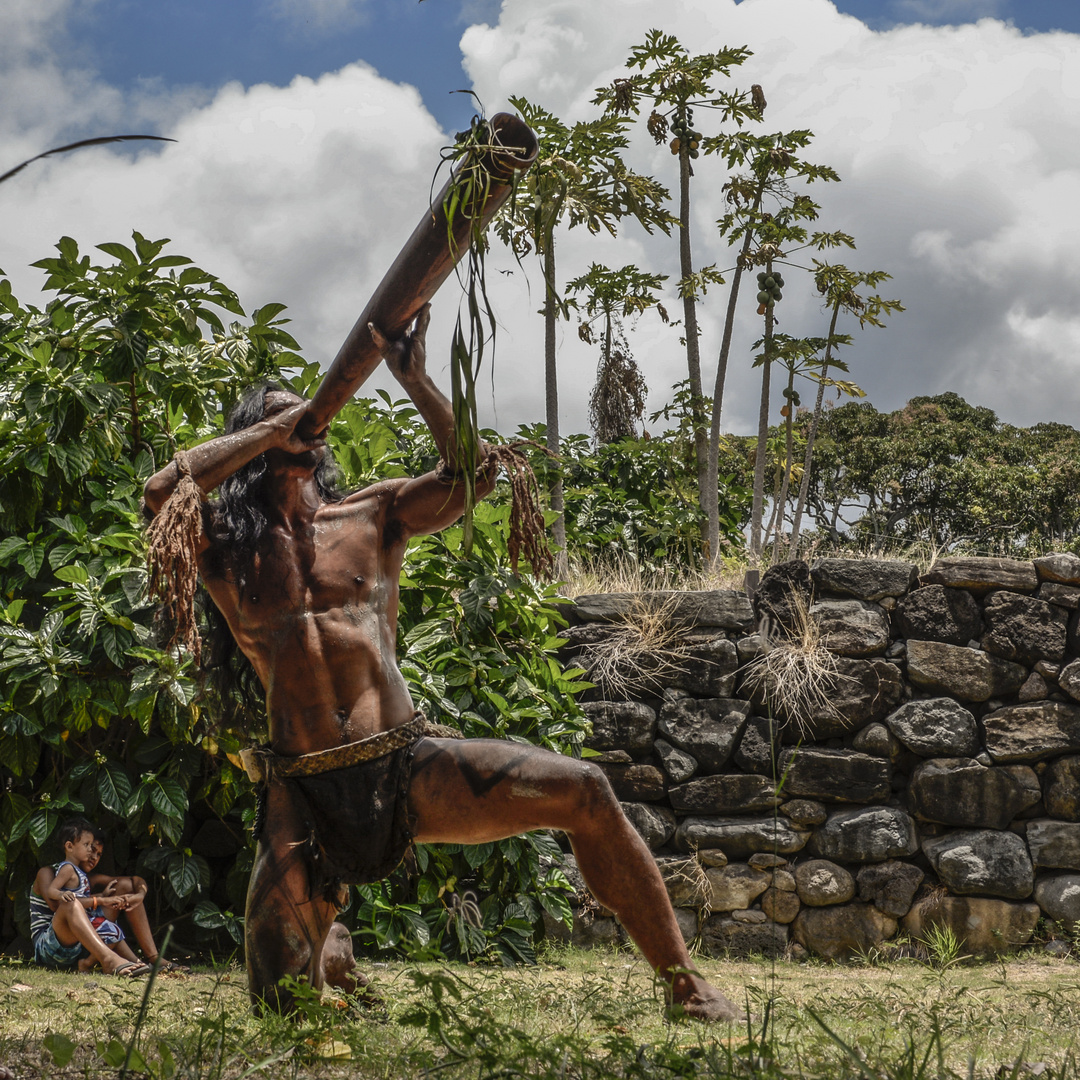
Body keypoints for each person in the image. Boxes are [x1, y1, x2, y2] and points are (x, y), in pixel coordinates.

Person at [142, 305, 742, 1021]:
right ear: (254, 439)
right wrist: (271, 425)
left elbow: (472, 477)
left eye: (303, 411)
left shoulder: (371, 514)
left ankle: (685, 985)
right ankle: (333, 947)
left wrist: (417, 379)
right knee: (282, 1012)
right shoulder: (224, 548)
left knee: (584, 789)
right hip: (301, 793)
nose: (300, 418)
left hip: (404, 765)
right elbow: (158, 494)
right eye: (277, 417)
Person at [29, 817, 149, 976]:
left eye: (98, 853)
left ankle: (137, 962)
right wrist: (99, 900)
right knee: (71, 903)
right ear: (70, 847)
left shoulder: (83, 876)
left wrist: (139, 895)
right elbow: (57, 904)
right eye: (88, 847)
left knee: (109, 925)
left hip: (79, 946)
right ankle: (108, 960)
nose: (92, 855)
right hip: (50, 948)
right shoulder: (52, 872)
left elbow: (132, 881)